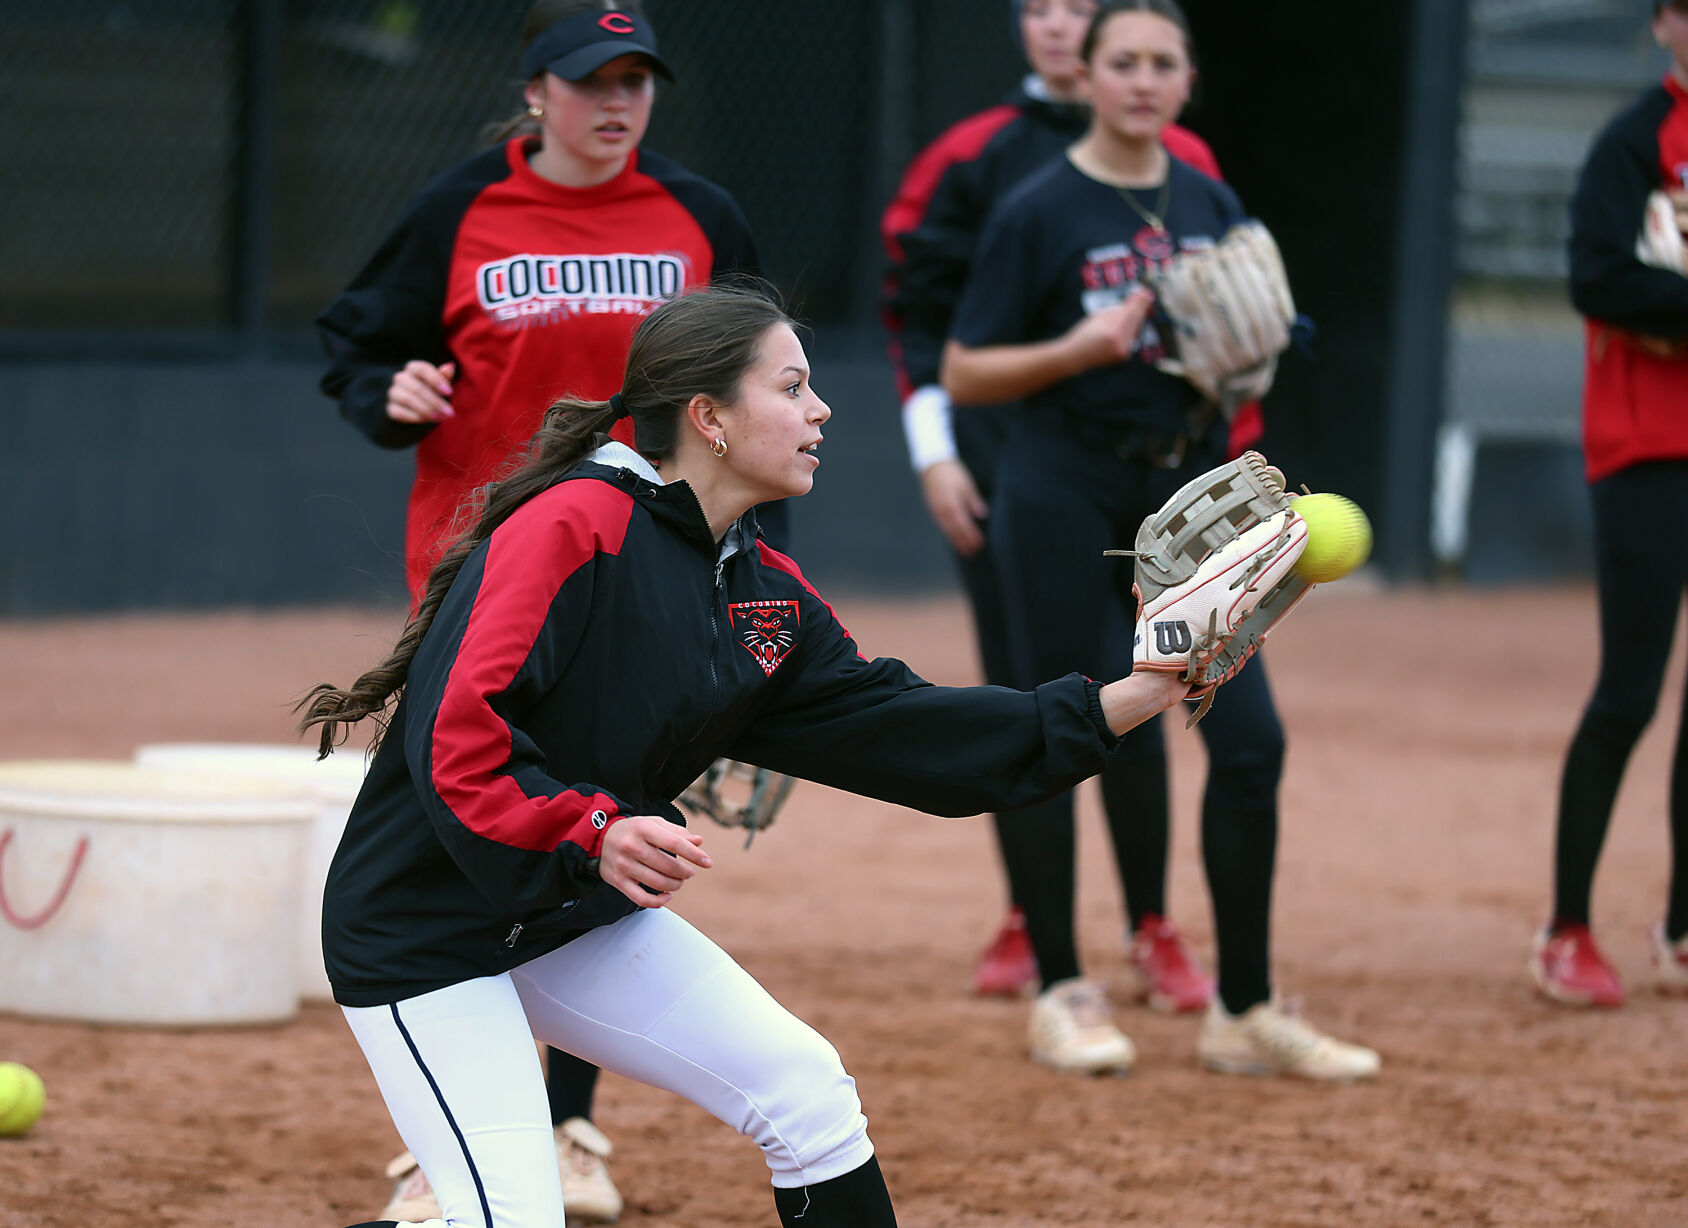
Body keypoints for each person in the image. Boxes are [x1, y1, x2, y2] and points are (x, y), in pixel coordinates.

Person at [300, 283, 1197, 1228]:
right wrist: (594, 830)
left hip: (564, 914)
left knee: (807, 1095)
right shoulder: (573, 526)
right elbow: (458, 739)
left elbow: (908, 730)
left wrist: (1138, 693)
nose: (822, 410)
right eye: (793, 387)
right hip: (425, 927)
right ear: (709, 418)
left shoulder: (756, 587)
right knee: (513, 1221)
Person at [315, 3, 770, 1218]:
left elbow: (753, 389)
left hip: (642, 563)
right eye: (588, 80)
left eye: (635, 79)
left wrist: (743, 571)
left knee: (597, 821)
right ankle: (452, 1137)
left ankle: (568, 1126)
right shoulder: (460, 207)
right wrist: (389, 390)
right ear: (534, 92)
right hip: (482, 567)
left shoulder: (698, 216)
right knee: (465, 825)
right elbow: (361, 342)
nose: (615, 101)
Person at [941, 0, 1379, 1080]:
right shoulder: (1038, 207)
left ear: (1187, 81)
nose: (1142, 80)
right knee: (1060, 730)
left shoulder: (1206, 197)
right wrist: (1079, 347)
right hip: (1061, 483)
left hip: (1191, 499)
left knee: (1250, 740)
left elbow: (1236, 348)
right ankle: (1060, 988)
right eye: (1122, 61)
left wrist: (1250, 359)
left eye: (1162, 63)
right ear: (1087, 76)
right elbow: (965, 371)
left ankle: (1243, 1007)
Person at [880, 0, 1230, 1006]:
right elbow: (917, 316)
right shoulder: (974, 155)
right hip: (1010, 464)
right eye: (1041, 6)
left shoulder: (1185, 167)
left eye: (1082, 8)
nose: (1060, 26)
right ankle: (1032, 918)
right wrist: (936, 453)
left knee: (1145, 684)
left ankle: (1149, 921)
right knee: (1035, 696)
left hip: (1152, 470)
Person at [1530, 0, 1688, 1008]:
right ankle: (1566, 929)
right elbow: (1598, 278)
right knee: (1628, 692)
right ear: (1664, 22)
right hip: (1648, 450)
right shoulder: (1635, 142)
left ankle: (1681, 928)